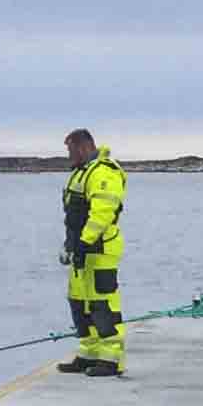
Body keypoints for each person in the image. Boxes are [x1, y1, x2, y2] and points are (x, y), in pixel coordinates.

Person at [58, 128, 127, 377]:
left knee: (102, 304)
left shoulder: (103, 172)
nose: (69, 155)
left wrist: (86, 242)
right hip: (81, 252)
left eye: (70, 150)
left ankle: (111, 359)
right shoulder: (81, 174)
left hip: (99, 250)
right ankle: (89, 353)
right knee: (80, 303)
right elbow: (74, 217)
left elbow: (102, 212)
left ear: (83, 146)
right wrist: (71, 247)